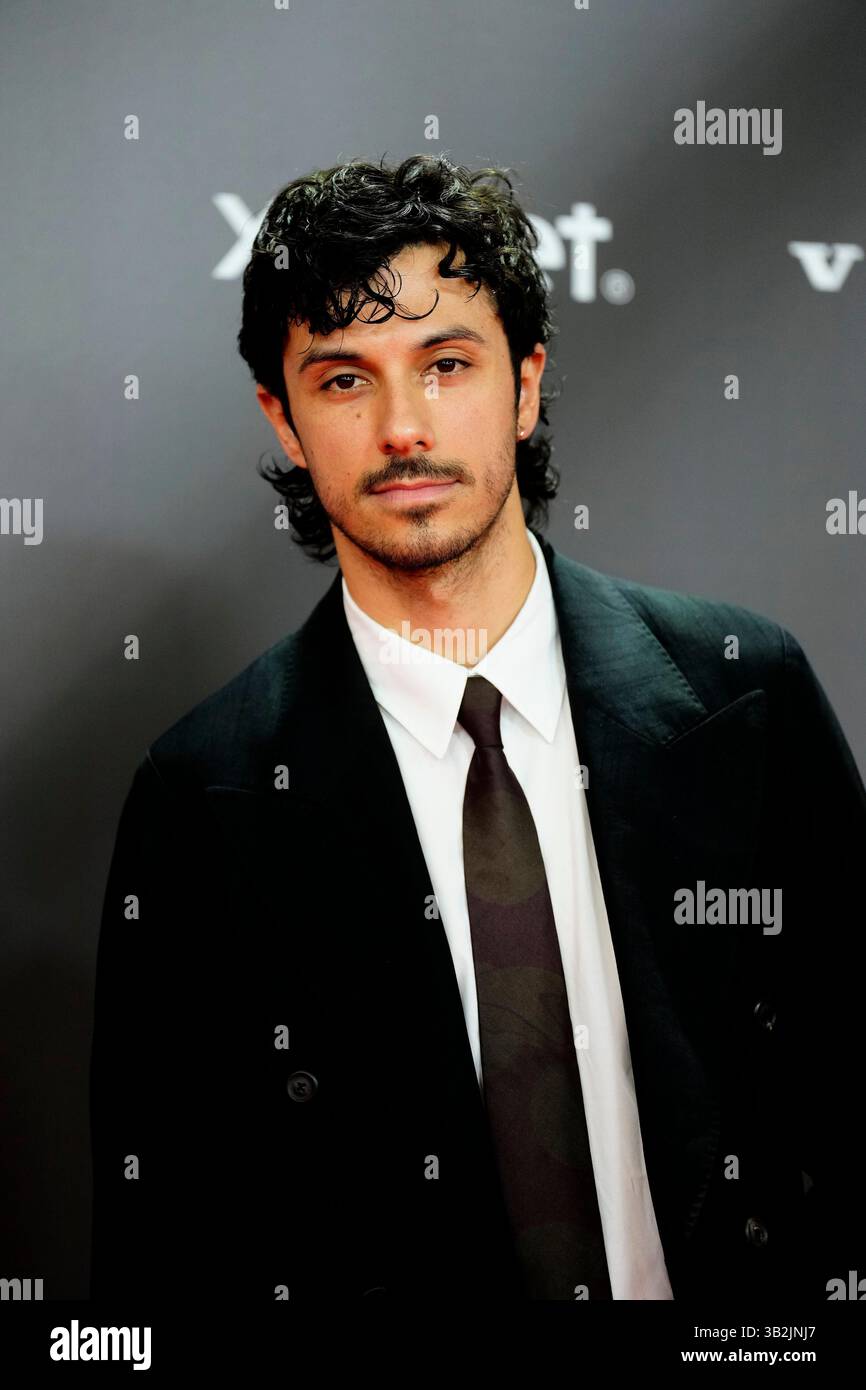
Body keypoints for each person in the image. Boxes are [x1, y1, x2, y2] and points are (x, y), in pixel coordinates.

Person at [89, 153, 866, 1303]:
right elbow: (169, 1250)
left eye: (445, 364)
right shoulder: (202, 799)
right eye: (344, 380)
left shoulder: (741, 696)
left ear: (524, 384)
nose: (403, 427)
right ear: (285, 420)